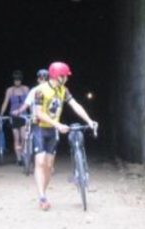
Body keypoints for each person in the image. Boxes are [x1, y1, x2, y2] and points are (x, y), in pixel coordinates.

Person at [29, 61, 97, 211]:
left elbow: (75, 105)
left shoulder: (63, 90)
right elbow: (39, 113)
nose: (67, 78)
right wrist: (57, 124)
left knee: (49, 165)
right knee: (40, 162)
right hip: (40, 128)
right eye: (65, 76)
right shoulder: (40, 90)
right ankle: (42, 197)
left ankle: (44, 192)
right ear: (57, 76)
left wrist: (89, 120)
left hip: (52, 130)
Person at [0, 69, 30, 165]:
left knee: (24, 137)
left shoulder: (26, 89)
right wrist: (1, 114)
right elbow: (5, 102)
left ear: (21, 80)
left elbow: (30, 102)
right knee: (16, 138)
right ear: (13, 80)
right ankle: (19, 158)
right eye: (16, 80)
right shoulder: (9, 90)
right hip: (13, 116)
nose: (17, 81)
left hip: (24, 115)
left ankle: (24, 156)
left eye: (19, 80)